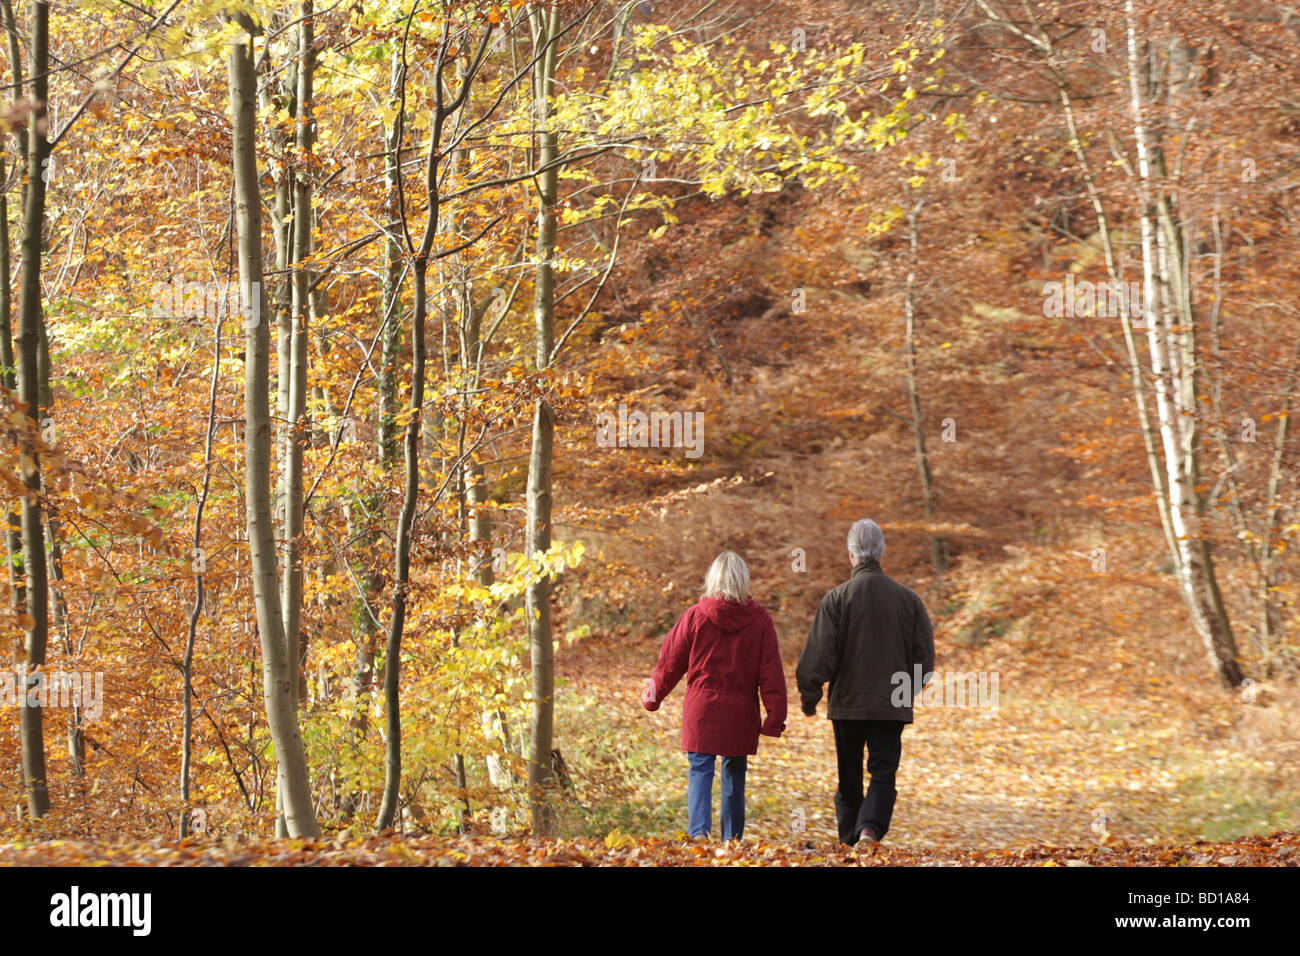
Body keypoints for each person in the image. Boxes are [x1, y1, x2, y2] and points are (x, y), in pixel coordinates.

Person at [796, 519, 935, 846]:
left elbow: (819, 653)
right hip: (890, 706)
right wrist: (904, 693)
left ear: (851, 555)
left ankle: (849, 841)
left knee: (849, 778)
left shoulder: (836, 598)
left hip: (848, 705)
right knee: (883, 774)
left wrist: (810, 694)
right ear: (881, 552)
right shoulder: (909, 600)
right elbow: (924, 659)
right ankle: (869, 831)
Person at [642, 551, 787, 840]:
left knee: (700, 769)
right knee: (734, 772)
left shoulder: (695, 616)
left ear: (713, 578)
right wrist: (775, 715)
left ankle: (698, 834)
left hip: (702, 709)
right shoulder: (759, 621)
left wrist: (653, 696)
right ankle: (731, 839)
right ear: (743, 580)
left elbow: (670, 662)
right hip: (740, 711)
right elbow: (771, 671)